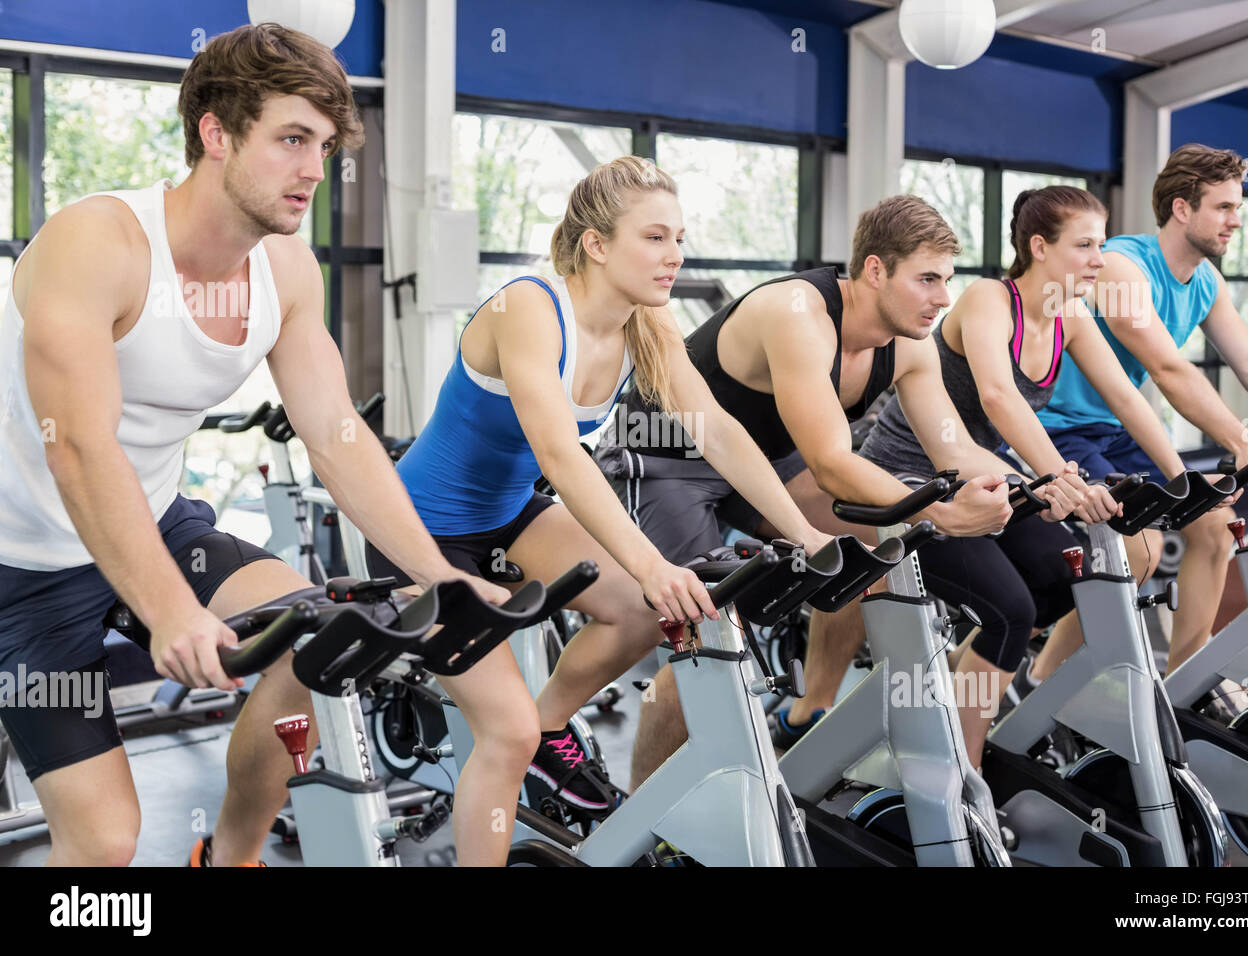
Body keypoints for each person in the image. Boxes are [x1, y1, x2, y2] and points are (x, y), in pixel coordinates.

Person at [0, 24, 505, 867]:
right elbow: (79, 449)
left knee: (319, 633)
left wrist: (437, 574)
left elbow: (339, 437)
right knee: (105, 845)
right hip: (23, 569)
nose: (316, 168)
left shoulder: (286, 271)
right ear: (216, 132)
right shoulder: (100, 243)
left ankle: (226, 857)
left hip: (155, 520)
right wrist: (168, 612)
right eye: (292, 140)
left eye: (326, 144)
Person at [368, 155, 834, 864]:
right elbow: (558, 455)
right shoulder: (528, 306)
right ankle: (526, 743)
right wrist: (651, 563)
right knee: (505, 732)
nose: (674, 254)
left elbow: (716, 429)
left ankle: (551, 727)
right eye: (654, 237)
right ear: (596, 243)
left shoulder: (647, 325)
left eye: (679, 237)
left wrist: (805, 532)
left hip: (508, 516)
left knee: (651, 616)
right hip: (418, 531)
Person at [598, 195, 1022, 787]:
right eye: (927, 279)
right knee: (708, 639)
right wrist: (948, 512)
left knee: (873, 550)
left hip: (760, 461)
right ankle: (642, 821)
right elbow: (830, 463)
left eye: (947, 280)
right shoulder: (798, 312)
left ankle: (808, 714)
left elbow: (953, 447)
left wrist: (1037, 486)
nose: (943, 298)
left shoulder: (910, 344)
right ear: (875, 270)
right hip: (665, 456)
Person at [860, 185, 1194, 764]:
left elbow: (1128, 396)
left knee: (1068, 581)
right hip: (910, 480)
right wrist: (1062, 477)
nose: (1099, 259)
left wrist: (1182, 477)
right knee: (1009, 610)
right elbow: (997, 397)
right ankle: (964, 767)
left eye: (1102, 244)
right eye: (1085, 245)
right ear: (1040, 246)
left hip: (980, 474)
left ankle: (974, 687)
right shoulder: (990, 298)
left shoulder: (1071, 315)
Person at [1033, 145, 1248, 694]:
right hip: (1059, 428)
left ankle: (1185, 683)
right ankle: (1043, 679)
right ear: (1182, 208)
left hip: (1120, 429)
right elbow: (1167, 367)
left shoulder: (1205, 283)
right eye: (1223, 207)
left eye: (1237, 207)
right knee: (1136, 548)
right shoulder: (1123, 266)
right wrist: (1243, 440)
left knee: (1215, 527)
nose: (1236, 220)